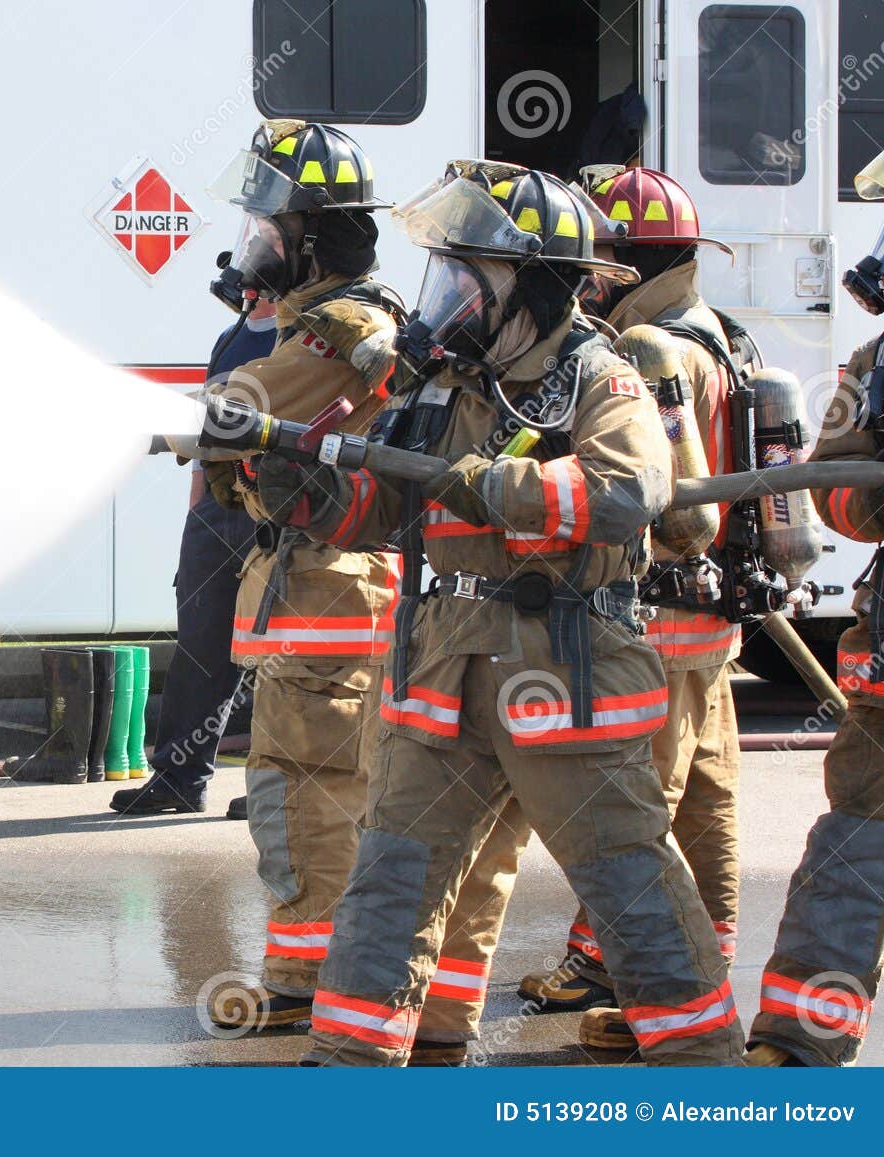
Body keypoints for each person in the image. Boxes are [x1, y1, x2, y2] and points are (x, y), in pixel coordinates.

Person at [254, 160, 744, 1065]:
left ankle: (707, 1077)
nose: (447, 297)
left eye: (466, 276)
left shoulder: (602, 375)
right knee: (387, 884)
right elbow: (386, 504)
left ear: (534, 282)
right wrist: (301, 487)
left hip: (562, 681)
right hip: (442, 679)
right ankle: (347, 1072)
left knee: (631, 884)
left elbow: (631, 488)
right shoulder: (444, 386)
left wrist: (491, 484)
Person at [419, 168, 748, 1058]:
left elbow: (671, 512)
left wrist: (500, 486)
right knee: (686, 816)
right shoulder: (722, 340)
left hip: (625, 618)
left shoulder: (633, 355)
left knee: (625, 833)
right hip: (701, 616)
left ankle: (654, 1014)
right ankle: (679, 1013)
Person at [196, 120, 405, 1031]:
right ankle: (316, 971)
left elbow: (237, 412)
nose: (256, 242)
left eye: (269, 226)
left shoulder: (340, 328)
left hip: (331, 590)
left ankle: (312, 981)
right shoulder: (322, 320)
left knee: (305, 789)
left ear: (311, 237)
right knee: (307, 784)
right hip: (316, 586)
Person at [744, 149, 884, 1066]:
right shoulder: (875, 362)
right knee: (861, 830)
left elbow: (846, 504)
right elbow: (841, 500)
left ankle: (797, 1048)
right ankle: (796, 1043)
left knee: (862, 832)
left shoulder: (876, 362)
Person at [108, 304, 273, 815]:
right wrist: (199, 506)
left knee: (278, 655)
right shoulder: (233, 336)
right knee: (199, 648)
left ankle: (280, 785)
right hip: (216, 513)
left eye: (269, 239)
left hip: (270, 510)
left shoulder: (305, 330)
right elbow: (205, 433)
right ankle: (179, 780)